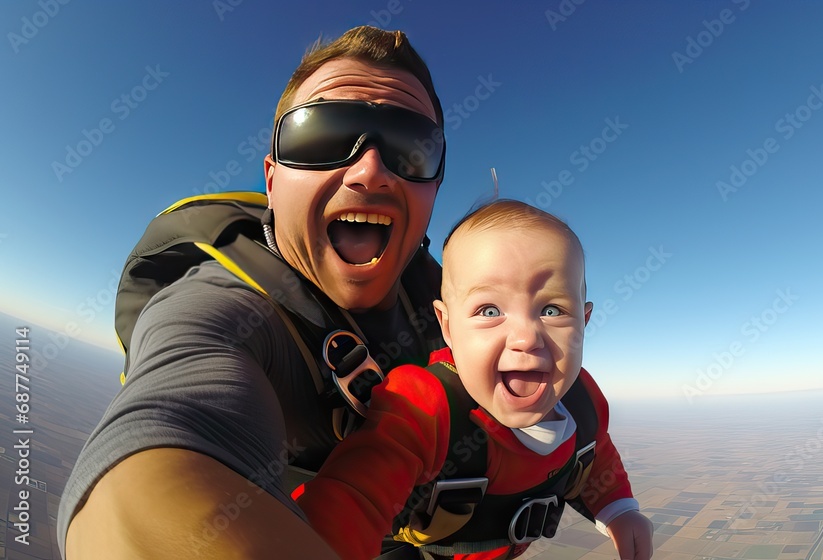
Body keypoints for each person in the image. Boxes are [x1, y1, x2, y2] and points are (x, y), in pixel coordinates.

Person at [59, 26, 450, 559]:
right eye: (321, 138)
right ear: (272, 180)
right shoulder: (224, 310)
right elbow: (132, 492)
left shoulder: (452, 301)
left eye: (410, 148)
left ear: (434, 189)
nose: (369, 171)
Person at [296, 200, 655, 560]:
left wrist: (619, 510)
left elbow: (594, 457)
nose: (526, 338)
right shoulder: (424, 405)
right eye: (489, 310)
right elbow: (356, 496)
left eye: (552, 310)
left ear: (583, 323)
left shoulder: (582, 400)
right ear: (448, 327)